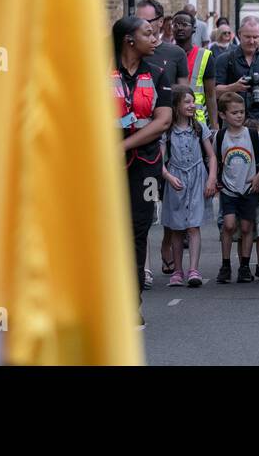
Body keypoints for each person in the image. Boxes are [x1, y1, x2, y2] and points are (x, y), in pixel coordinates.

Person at [112, 16, 173, 308]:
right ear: (129, 40)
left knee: (139, 226)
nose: (155, 38)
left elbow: (162, 122)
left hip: (146, 163)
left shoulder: (158, 73)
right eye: (148, 33)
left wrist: (122, 145)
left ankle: (130, 299)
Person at [213, 93, 259, 283]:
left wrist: (258, 176)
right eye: (234, 113)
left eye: (242, 112)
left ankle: (245, 267)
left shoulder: (252, 135)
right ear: (223, 115)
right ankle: (225, 265)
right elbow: (214, 158)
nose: (239, 116)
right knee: (229, 224)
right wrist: (214, 179)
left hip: (249, 189)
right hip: (229, 188)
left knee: (247, 227)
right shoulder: (221, 137)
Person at [161, 86, 217, 288]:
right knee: (176, 227)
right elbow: (159, 160)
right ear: (175, 106)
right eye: (187, 101)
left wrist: (211, 179)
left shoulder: (199, 127)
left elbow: (211, 156)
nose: (192, 105)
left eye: (193, 101)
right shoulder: (167, 131)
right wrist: (168, 176)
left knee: (194, 225)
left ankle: (194, 269)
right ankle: (177, 270)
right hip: (176, 179)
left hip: (197, 178)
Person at [214, 16, 259, 126]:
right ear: (239, 34)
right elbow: (213, 92)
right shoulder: (225, 59)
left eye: (256, 37)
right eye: (247, 37)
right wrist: (234, 87)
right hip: (232, 122)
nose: (251, 41)